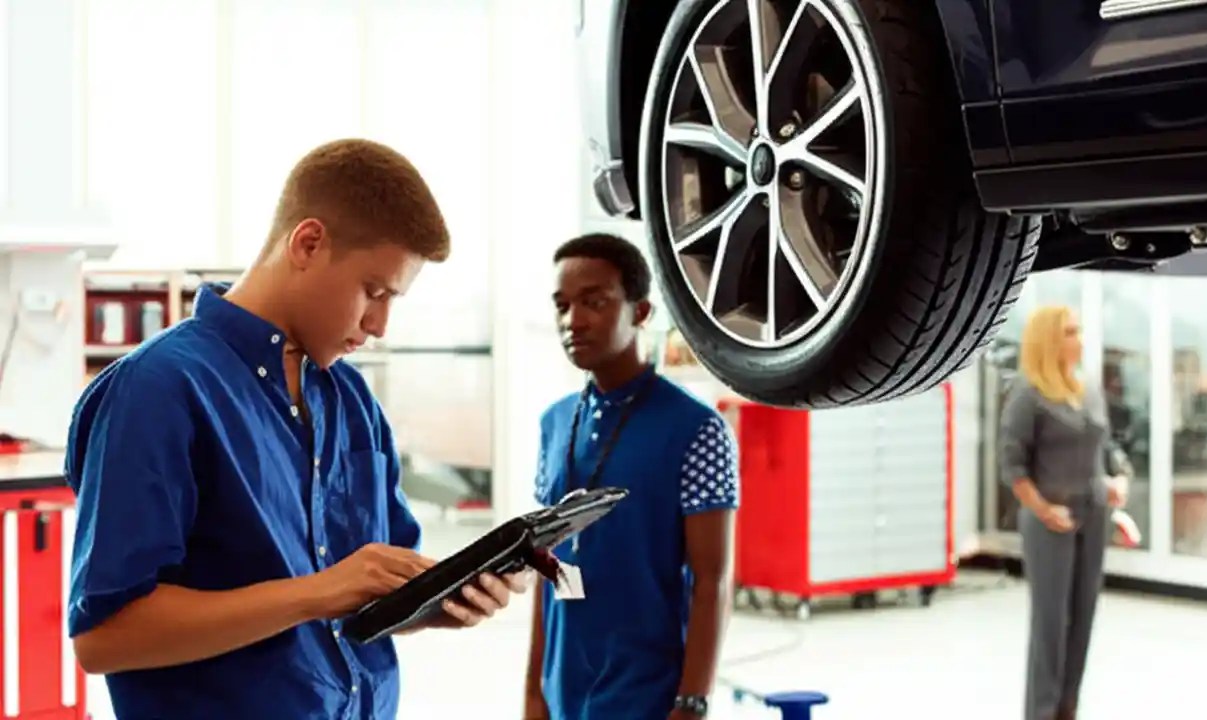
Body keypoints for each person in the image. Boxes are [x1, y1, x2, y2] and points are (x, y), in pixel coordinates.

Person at [64, 138, 529, 720]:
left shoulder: (352, 399)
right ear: (308, 243)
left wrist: (434, 602)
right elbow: (105, 637)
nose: (379, 324)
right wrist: (319, 591)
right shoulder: (157, 390)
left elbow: (362, 604)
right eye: (374, 291)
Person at [522, 233, 739, 720]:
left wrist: (692, 702)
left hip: (649, 693)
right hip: (564, 691)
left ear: (640, 312)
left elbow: (713, 581)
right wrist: (535, 693)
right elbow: (546, 568)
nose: (572, 321)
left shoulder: (697, 429)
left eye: (594, 302)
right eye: (562, 305)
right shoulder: (554, 423)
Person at [999, 305, 1130, 720]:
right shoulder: (1027, 394)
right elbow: (1012, 465)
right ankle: (1041, 711)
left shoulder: (1086, 389)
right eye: (1071, 332)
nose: (1080, 339)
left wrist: (1117, 478)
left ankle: (1067, 709)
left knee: (1083, 618)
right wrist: (1042, 509)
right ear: (1049, 339)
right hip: (1048, 519)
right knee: (1051, 624)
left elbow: (1106, 448)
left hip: (1093, 515)